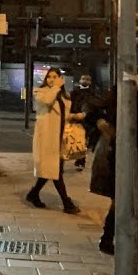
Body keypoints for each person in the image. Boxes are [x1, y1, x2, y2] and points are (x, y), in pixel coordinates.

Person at [88, 65, 138, 262]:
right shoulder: (118, 96)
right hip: (117, 155)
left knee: (132, 199)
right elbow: (93, 110)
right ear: (133, 81)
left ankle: (107, 239)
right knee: (127, 199)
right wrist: (100, 122)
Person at [27, 68, 85, 213]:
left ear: (61, 78)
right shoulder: (40, 92)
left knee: (51, 170)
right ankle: (67, 203)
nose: (51, 80)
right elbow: (47, 101)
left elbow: (63, 116)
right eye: (49, 77)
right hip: (46, 138)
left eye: (55, 77)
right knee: (56, 171)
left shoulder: (65, 96)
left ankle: (33, 194)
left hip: (59, 137)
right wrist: (56, 87)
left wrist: (75, 116)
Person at [72, 74, 98, 171]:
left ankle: (80, 161)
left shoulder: (93, 93)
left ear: (90, 82)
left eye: (87, 79)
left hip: (87, 122)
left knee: (83, 142)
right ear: (79, 80)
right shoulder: (74, 93)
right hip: (76, 120)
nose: (85, 81)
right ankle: (79, 159)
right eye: (83, 79)